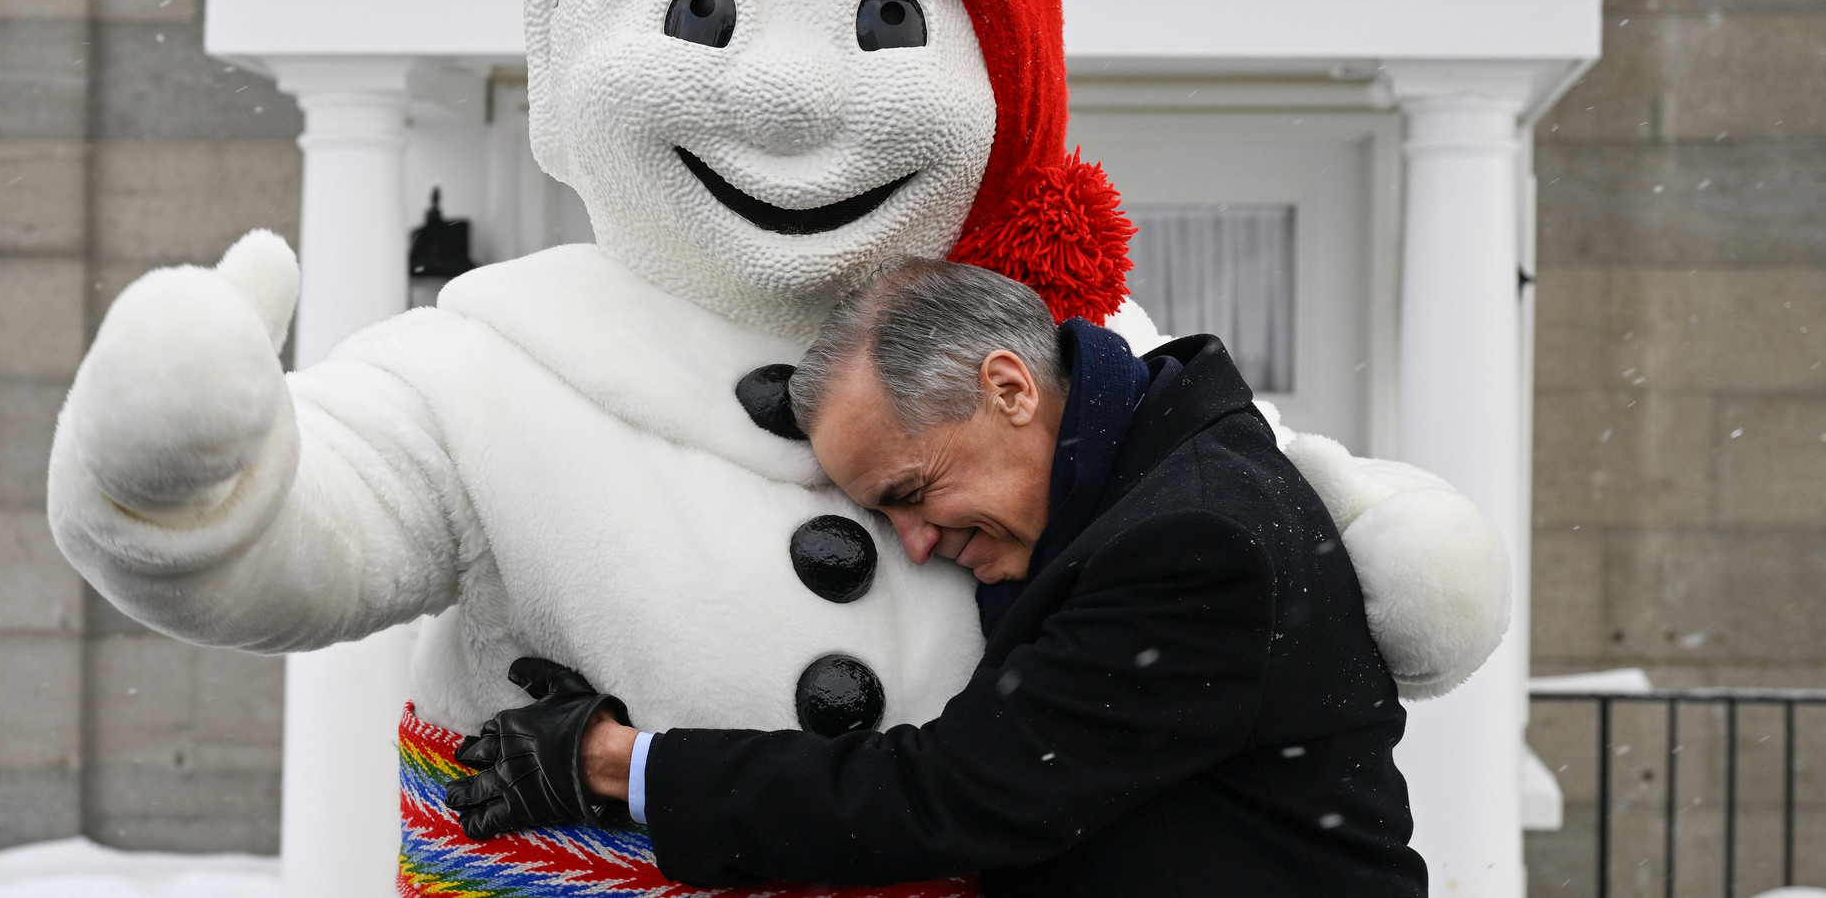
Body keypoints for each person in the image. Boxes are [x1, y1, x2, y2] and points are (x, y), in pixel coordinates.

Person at [444, 258, 1428, 897]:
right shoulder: (1138, 474)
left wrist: (617, 763)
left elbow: (957, 796)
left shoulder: (1194, 543)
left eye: (913, 491)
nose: (913, 543)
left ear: (1006, 387)